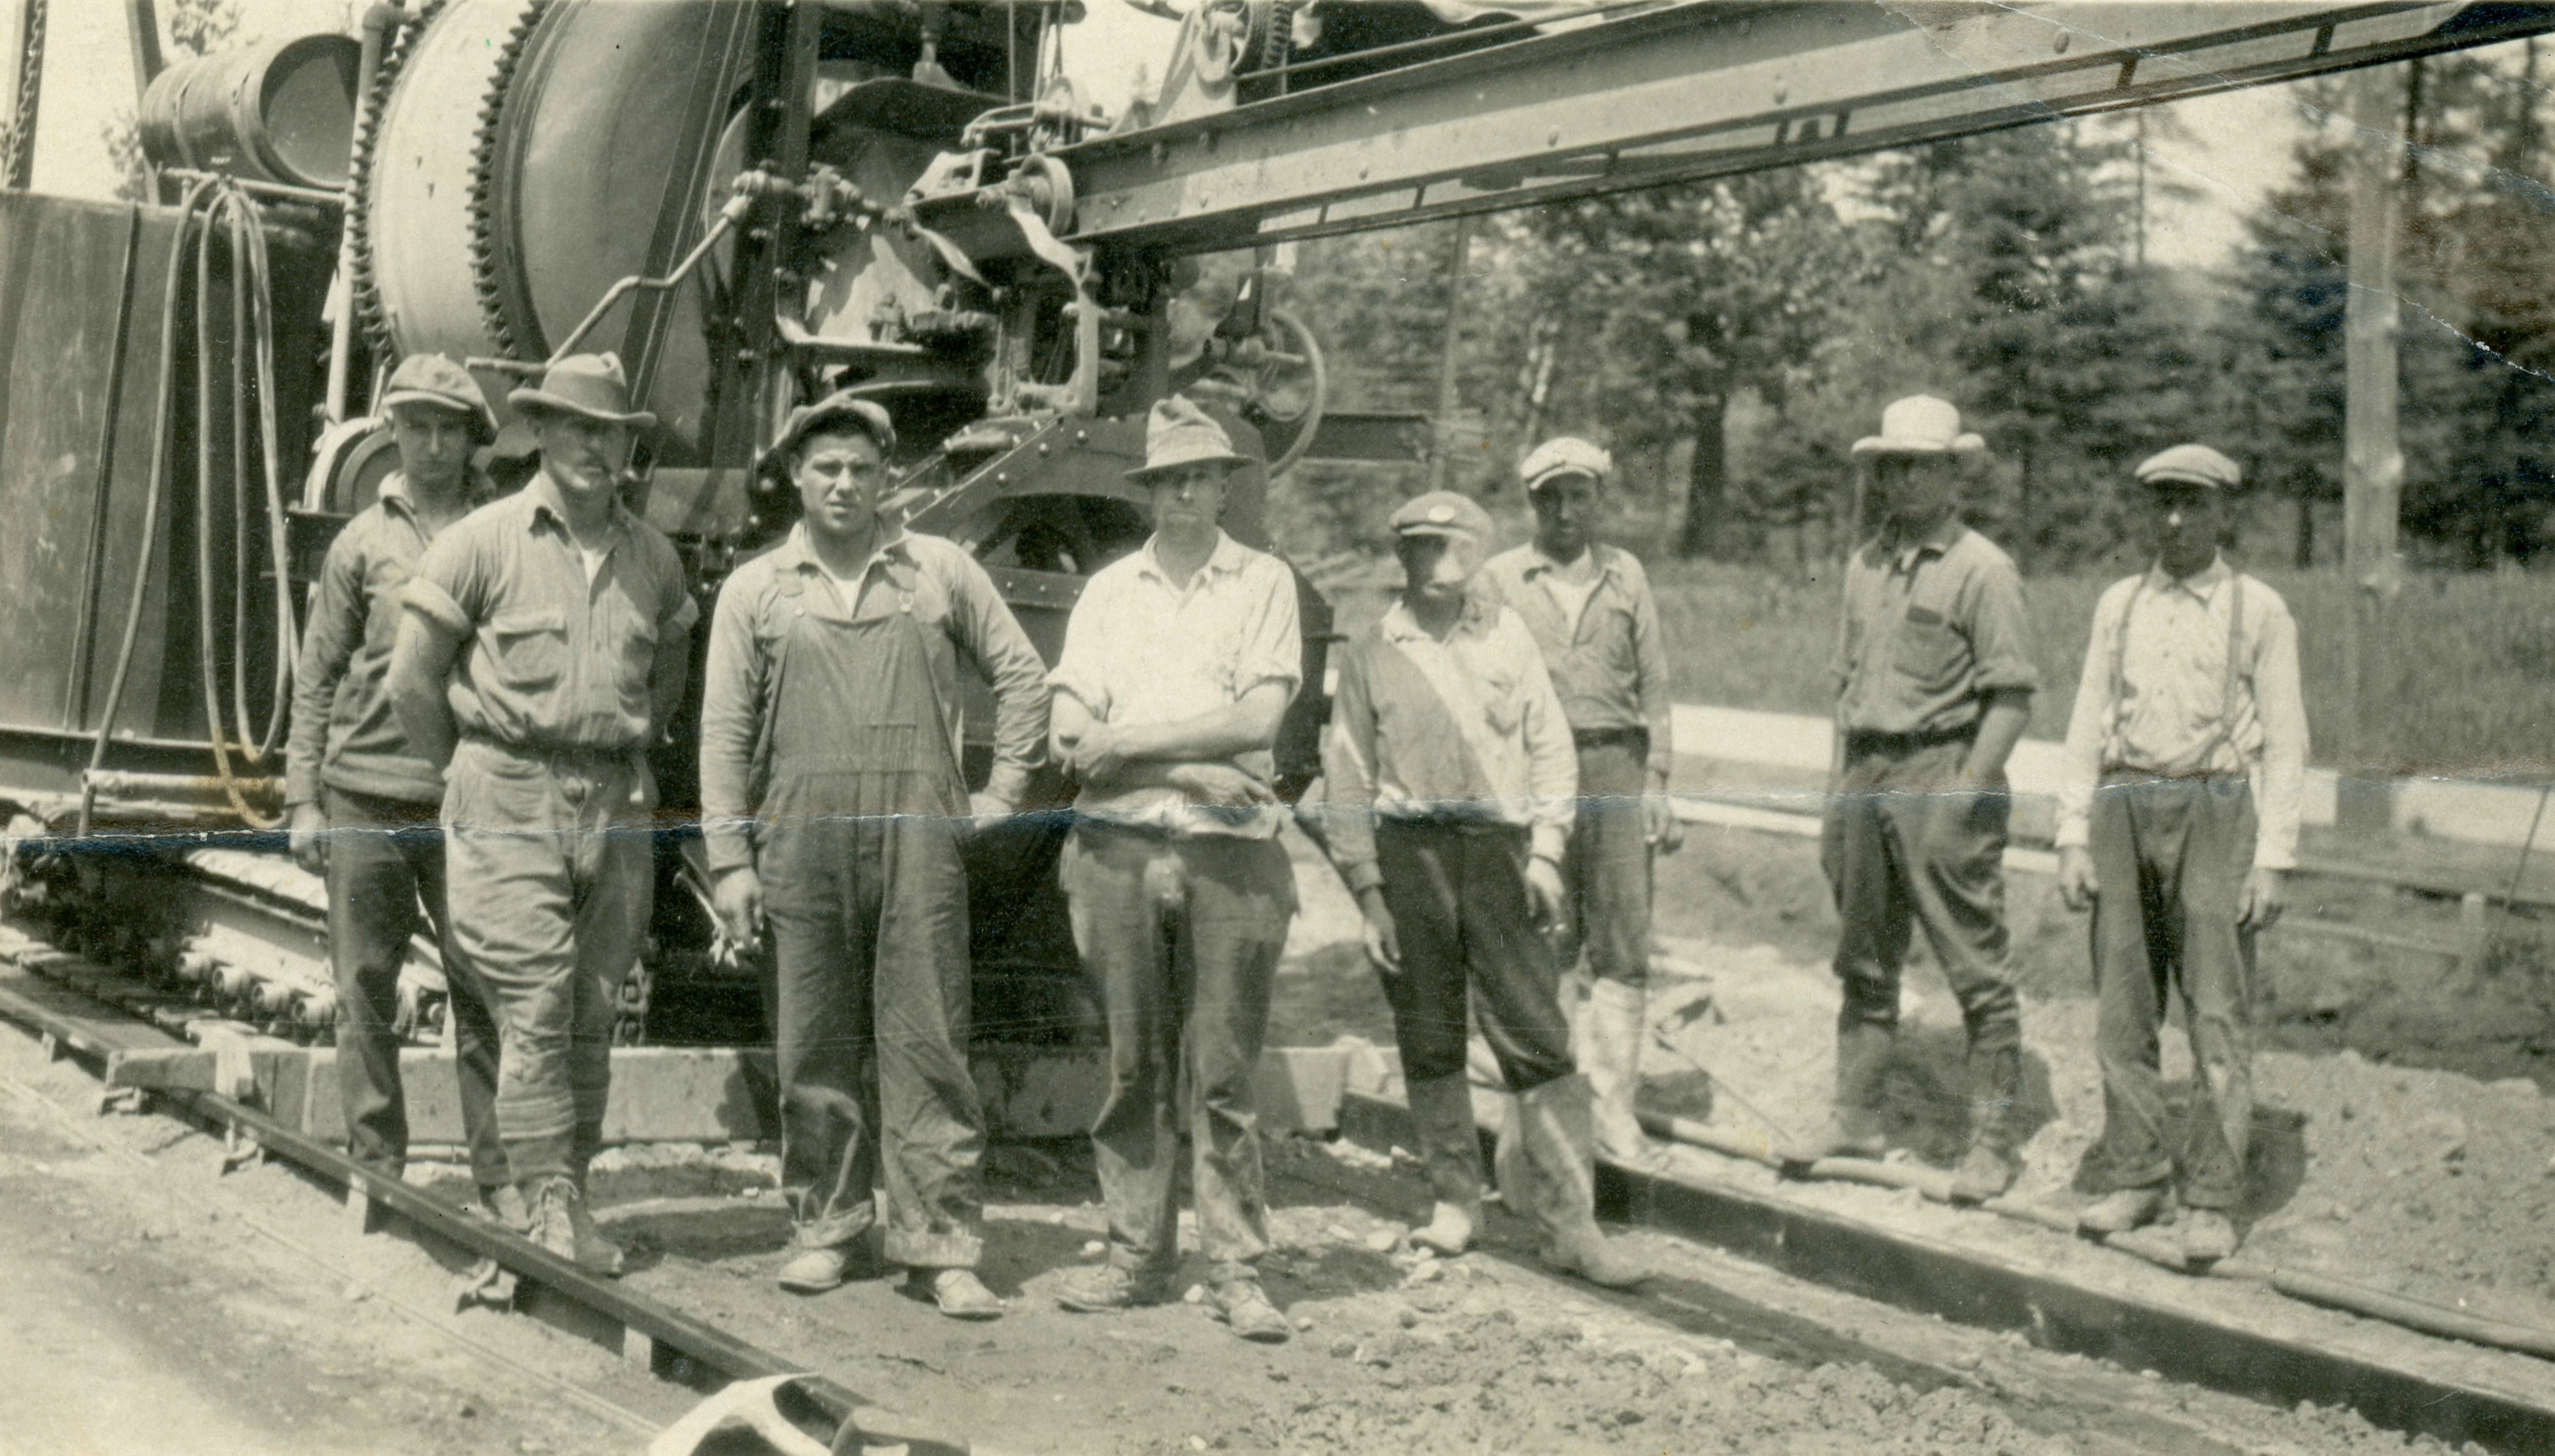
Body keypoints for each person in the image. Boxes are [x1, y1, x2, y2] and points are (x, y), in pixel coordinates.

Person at [697, 391, 1048, 1317]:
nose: (845, 483)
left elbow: (1021, 674)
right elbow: (723, 732)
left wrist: (1003, 790)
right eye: (827, 468)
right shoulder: (758, 588)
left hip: (918, 837)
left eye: (861, 467)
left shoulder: (937, 571)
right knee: (813, 1036)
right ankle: (827, 1226)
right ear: (799, 479)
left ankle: (940, 1242)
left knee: (927, 1035)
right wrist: (729, 859)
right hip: (799, 839)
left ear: (886, 476)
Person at [388, 352, 698, 1275]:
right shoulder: (482, 541)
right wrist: (469, 776)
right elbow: (413, 678)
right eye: (577, 428)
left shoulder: (653, 555)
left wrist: (621, 743)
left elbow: (670, 671)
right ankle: (548, 1204)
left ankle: (566, 1189)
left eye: (611, 432)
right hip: (507, 790)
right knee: (534, 1000)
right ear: (543, 432)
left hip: (615, 801)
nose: (595, 447)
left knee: (594, 1006)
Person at [1325, 490, 1645, 1288]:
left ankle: (1571, 1225)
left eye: (1453, 546)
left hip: (1501, 855)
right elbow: (1347, 776)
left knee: (1537, 1035)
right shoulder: (1372, 651)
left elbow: (1551, 752)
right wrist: (1367, 892)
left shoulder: (1507, 637)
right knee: (1428, 1032)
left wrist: (1544, 853)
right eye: (1422, 548)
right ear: (1400, 557)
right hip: (1410, 855)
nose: (1438, 563)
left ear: (1474, 552)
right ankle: (1454, 1203)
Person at [1045, 395, 1302, 1343]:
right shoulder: (1110, 591)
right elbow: (1072, 736)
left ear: (1225, 485)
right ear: (1148, 492)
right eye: (1167, 479)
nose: (1183, 492)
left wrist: (1136, 743)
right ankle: (1134, 1255)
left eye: (1200, 475)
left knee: (1224, 1070)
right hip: (1116, 848)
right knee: (1130, 1065)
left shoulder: (1263, 583)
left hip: (1228, 857)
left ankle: (1236, 1266)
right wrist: (1192, 766)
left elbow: (1258, 721)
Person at [2055, 444, 2306, 1264]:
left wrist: (2271, 856)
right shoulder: (2118, 604)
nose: (2172, 519)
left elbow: (2287, 742)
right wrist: (2068, 834)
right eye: (2160, 501)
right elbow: (2086, 717)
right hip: (2124, 801)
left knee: (2213, 1007)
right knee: (2124, 1004)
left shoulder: (2258, 609)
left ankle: (2209, 1194)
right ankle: (2134, 1174)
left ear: (2223, 512)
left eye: (2191, 503)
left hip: (2215, 805)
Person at [1790, 395, 2038, 1206]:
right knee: (1862, 957)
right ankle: (1854, 1115)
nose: (1901, 479)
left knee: (1974, 966)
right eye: (1889, 465)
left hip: (1940, 772)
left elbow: (2009, 696)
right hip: (1864, 774)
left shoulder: (1982, 570)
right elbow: (1842, 684)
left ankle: (1992, 1144)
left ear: (1952, 474)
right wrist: (1836, 787)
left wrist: (1964, 794)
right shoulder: (1863, 564)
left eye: (1918, 465)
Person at [285, 354, 516, 1222]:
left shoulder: (501, 536)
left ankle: (503, 1179)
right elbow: (317, 674)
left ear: (471, 440)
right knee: (365, 989)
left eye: (447, 428)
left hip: (470, 800)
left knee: (484, 988)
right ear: (392, 433)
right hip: (365, 797)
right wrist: (303, 799)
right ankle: (376, 1166)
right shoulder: (361, 542)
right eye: (413, 425)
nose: (429, 443)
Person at [1479, 437, 1681, 1167]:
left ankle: (1613, 1108)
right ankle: (1539, 1114)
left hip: (1615, 766)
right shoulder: (1500, 578)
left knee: (1622, 940)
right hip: (1535, 770)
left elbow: (1654, 687)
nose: (1565, 512)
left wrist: (1657, 780)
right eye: (1549, 498)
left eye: (1578, 496)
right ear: (1530, 502)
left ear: (1597, 499)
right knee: (1540, 939)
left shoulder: (1626, 575)